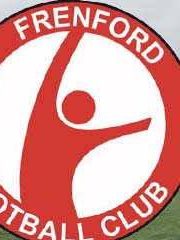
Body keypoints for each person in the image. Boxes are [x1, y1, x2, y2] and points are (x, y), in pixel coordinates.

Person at [19, 32, 151, 218]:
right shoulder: (59, 131)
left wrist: (73, 37)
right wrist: (141, 125)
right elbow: (54, 76)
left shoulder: (42, 119)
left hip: (42, 208)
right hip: (58, 211)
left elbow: (53, 76)